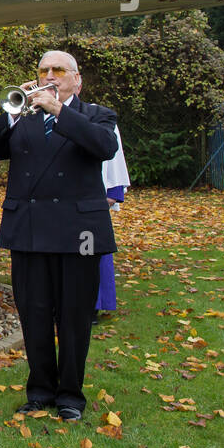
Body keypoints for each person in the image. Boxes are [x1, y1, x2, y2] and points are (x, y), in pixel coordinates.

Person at [0, 51, 119, 421]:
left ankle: (70, 395)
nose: (50, 75)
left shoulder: (96, 115)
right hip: (30, 230)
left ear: (77, 79)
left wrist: (58, 110)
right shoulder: (23, 116)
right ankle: (39, 391)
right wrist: (10, 113)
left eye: (58, 70)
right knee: (34, 315)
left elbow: (104, 147)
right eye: (43, 69)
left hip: (79, 233)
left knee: (74, 317)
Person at [95, 125, 130, 323]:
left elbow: (113, 157)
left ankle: (93, 303)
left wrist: (113, 192)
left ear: (78, 90)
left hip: (90, 206)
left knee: (89, 251)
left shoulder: (99, 117)